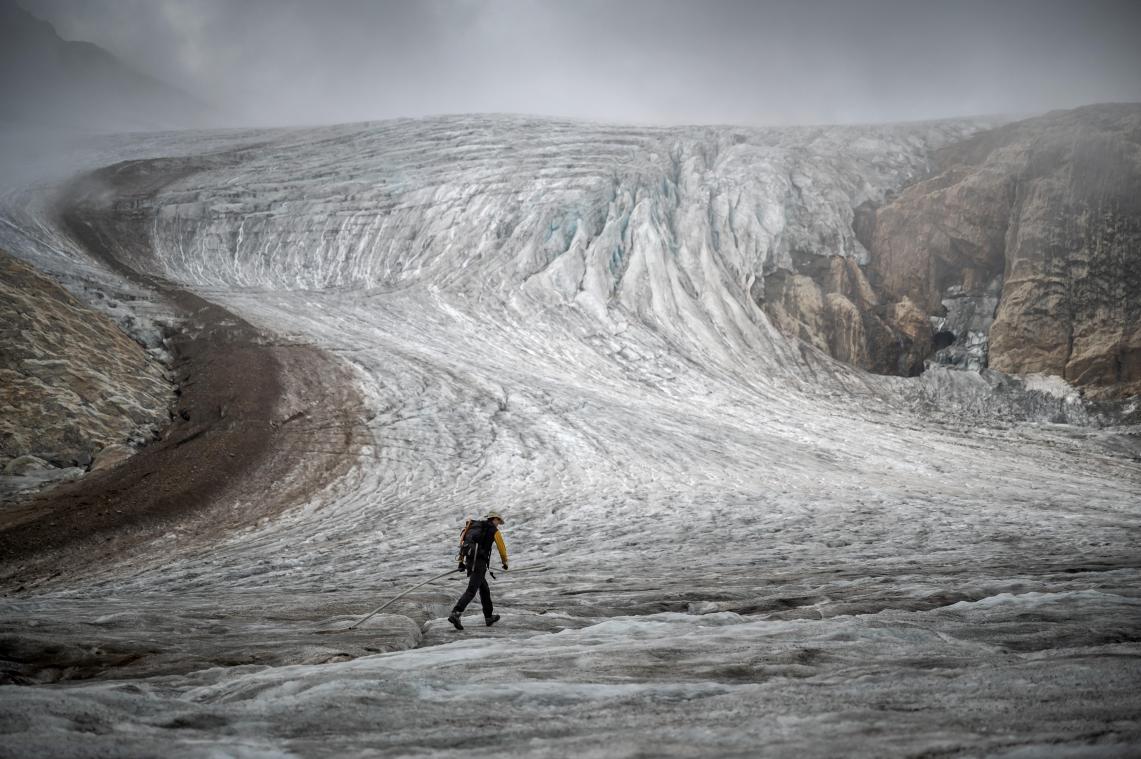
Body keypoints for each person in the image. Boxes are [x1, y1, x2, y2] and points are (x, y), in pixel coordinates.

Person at [448, 511, 508, 630]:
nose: (498, 524)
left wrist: (461, 561)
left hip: (471, 562)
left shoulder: (476, 527)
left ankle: (488, 617)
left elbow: (464, 543)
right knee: (471, 590)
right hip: (479, 564)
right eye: (498, 521)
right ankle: (456, 613)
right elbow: (501, 547)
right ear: (494, 519)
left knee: (484, 589)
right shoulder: (493, 530)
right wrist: (504, 562)